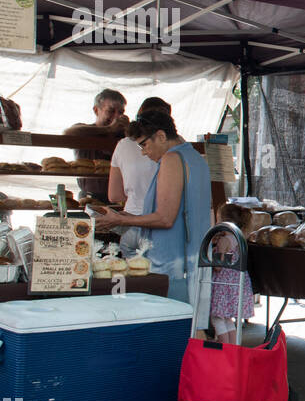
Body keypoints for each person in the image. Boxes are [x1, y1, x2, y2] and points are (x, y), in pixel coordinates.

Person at [92, 111, 213, 311]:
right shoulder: (195, 157)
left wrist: (123, 221)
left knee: (170, 328)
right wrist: (128, 218)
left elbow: (166, 219)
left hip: (171, 264)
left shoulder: (172, 159)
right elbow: (181, 211)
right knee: (191, 328)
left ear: (161, 136)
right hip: (192, 260)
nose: (143, 152)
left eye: (144, 144)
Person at [108, 96, 170, 256]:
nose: (144, 151)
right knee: (160, 279)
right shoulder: (176, 147)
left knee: (132, 278)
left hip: (131, 227)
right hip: (161, 230)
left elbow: (114, 195)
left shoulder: (122, 145)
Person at [65, 88, 128, 200]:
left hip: (120, 199)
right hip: (89, 198)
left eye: (121, 112)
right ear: (96, 110)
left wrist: (129, 132)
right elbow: (68, 133)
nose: (116, 117)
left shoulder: (124, 135)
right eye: (111, 111)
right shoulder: (85, 131)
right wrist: (108, 129)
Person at [208, 202, 256, 344]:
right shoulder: (240, 239)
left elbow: (218, 266)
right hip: (237, 283)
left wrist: (211, 256)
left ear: (224, 222)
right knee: (228, 318)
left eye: (217, 220)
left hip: (224, 284)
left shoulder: (224, 241)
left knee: (217, 317)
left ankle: (223, 346)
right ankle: (233, 348)